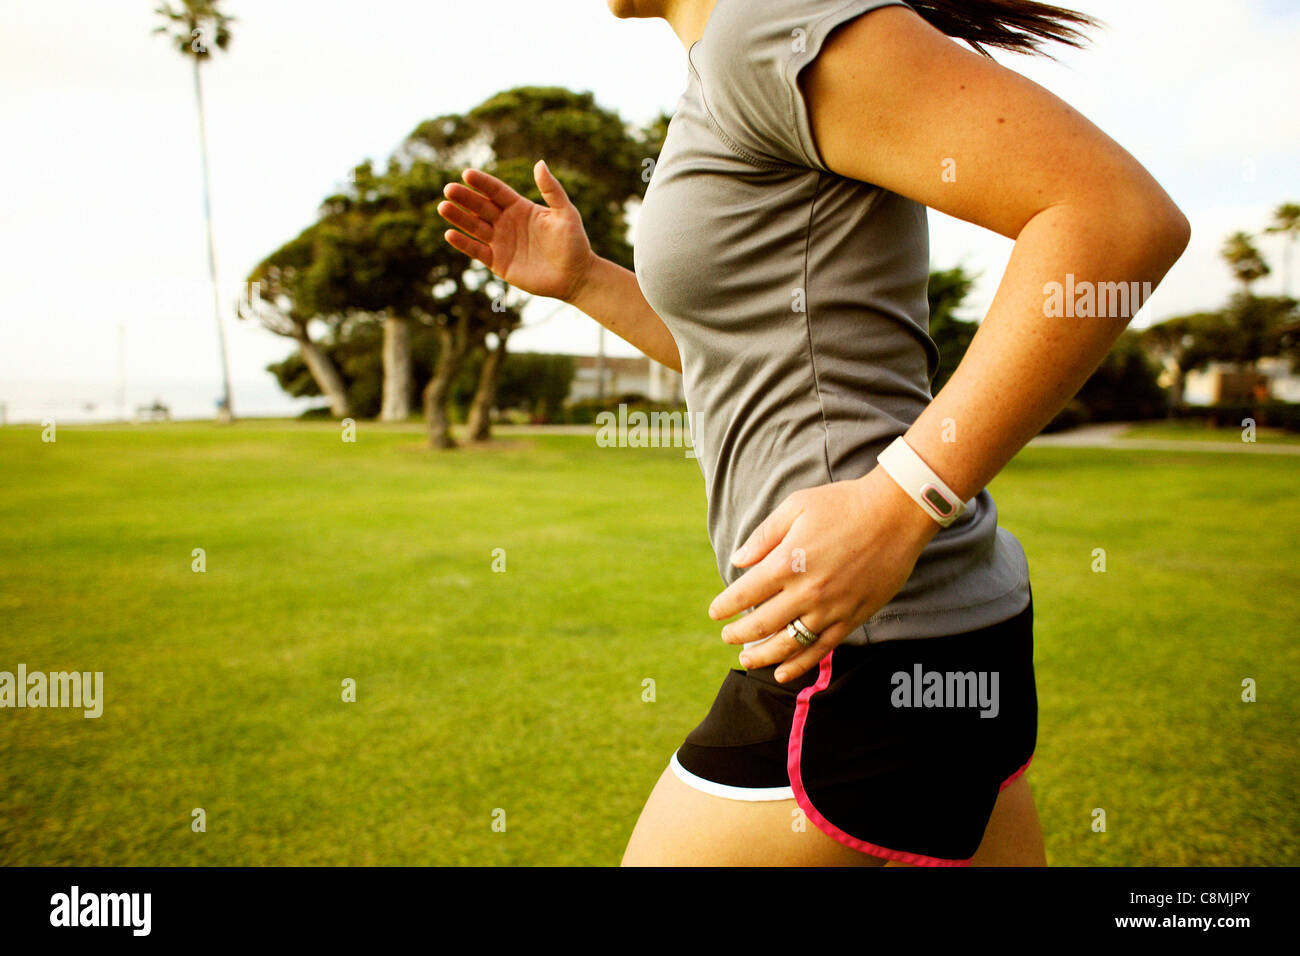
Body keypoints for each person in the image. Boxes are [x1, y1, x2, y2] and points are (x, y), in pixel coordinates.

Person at [438, 0, 1189, 866]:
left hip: (862, 652)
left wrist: (903, 499)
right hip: (944, 628)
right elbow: (741, 354)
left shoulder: (768, 21)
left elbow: (1114, 216)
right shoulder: (732, 59)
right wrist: (585, 281)